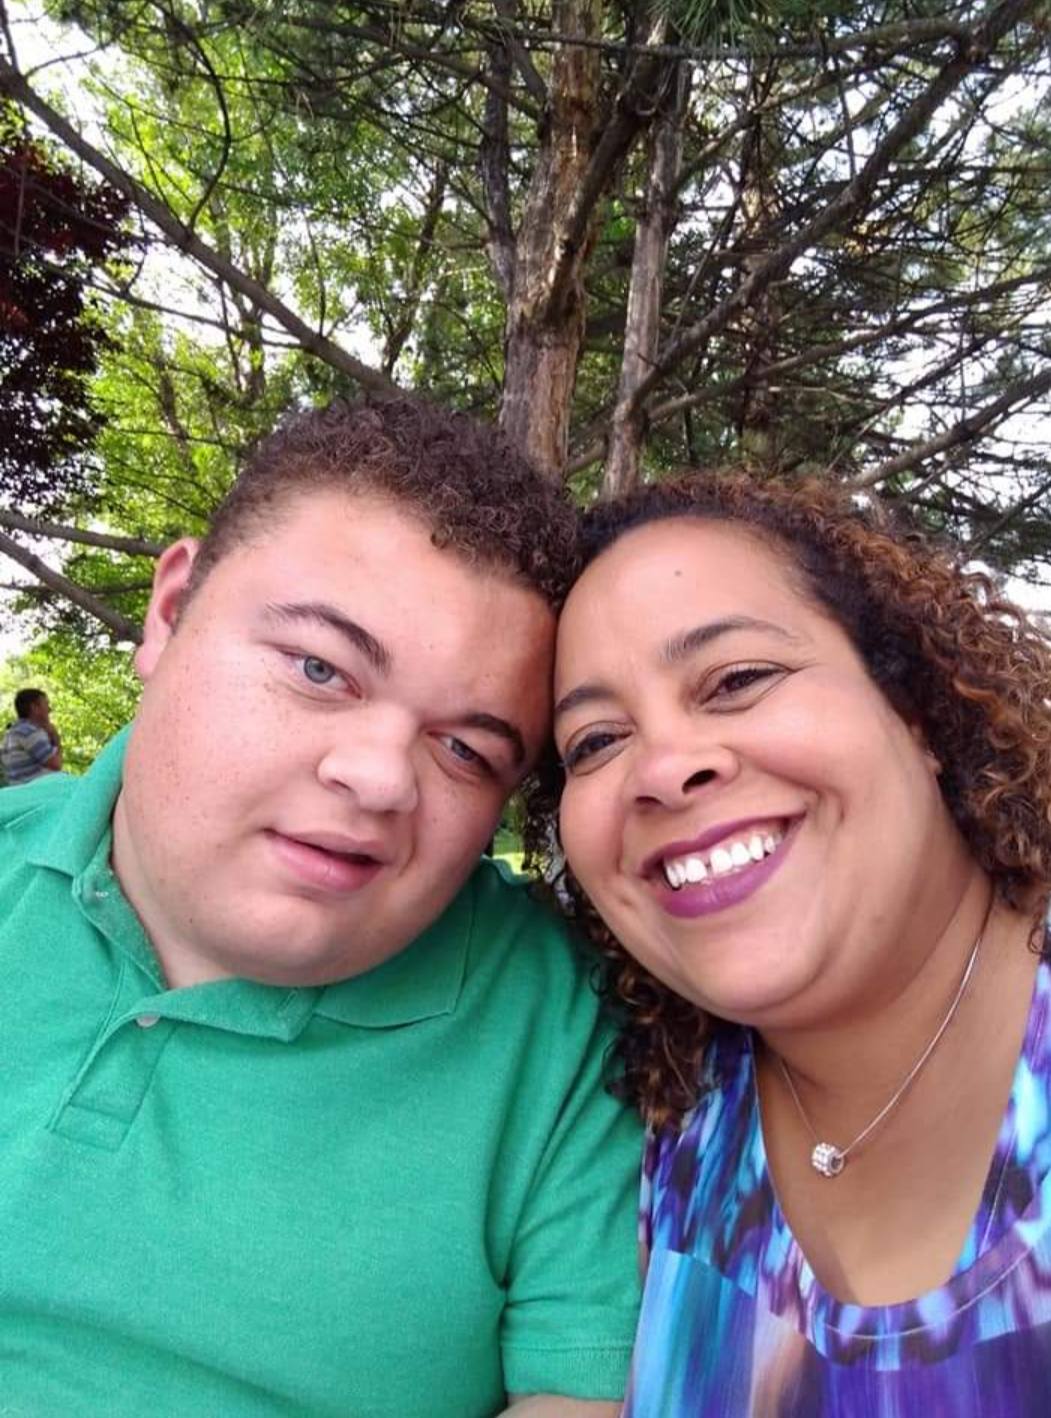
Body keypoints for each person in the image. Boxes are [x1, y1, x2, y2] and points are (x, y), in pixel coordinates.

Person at [0, 397, 642, 1417]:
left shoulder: (556, 1028)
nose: (381, 774)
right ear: (170, 611)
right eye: (318, 667)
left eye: (466, 750)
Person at [527, 469, 1051, 1414]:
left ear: (916, 709)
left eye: (736, 680)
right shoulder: (646, 1130)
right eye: (596, 741)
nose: (664, 768)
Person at [1, 686, 62, 784]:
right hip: (39, 789)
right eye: (46, 704)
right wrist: (55, 736)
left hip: (18, 789)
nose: (49, 710)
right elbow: (56, 764)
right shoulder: (30, 732)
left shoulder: (10, 734)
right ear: (34, 707)